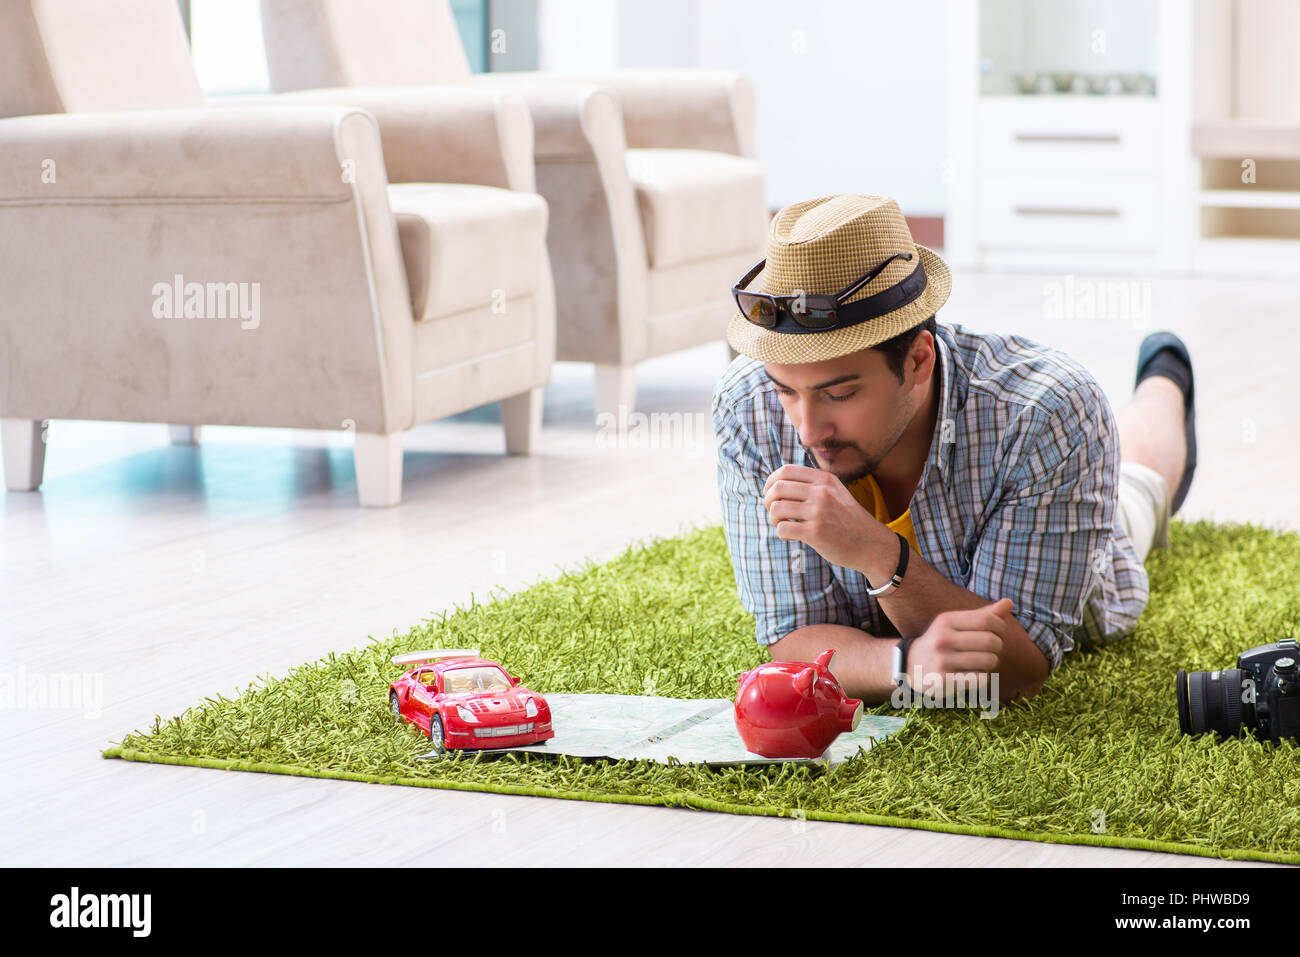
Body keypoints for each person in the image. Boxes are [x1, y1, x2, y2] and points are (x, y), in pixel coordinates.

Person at [712, 194, 1195, 706]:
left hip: (1081, 554)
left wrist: (879, 554)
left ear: (918, 360)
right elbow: (791, 639)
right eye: (788, 390)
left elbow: (1018, 670)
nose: (807, 430)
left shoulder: (1045, 413)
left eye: (840, 394)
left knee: (1138, 487)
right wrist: (905, 665)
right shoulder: (749, 405)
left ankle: (1166, 381)